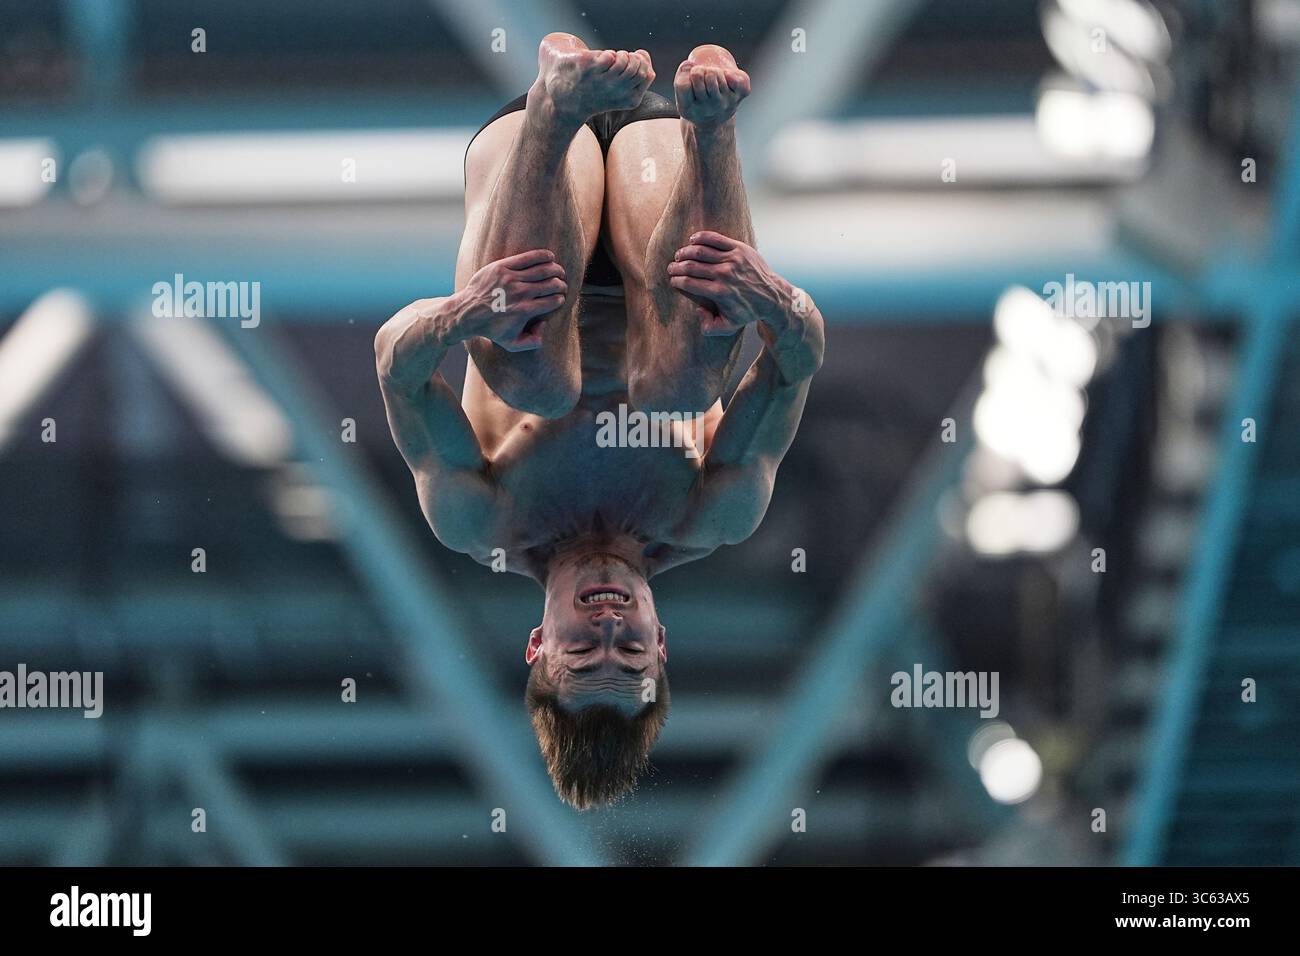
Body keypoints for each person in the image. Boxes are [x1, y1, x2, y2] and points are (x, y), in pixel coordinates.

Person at [375, 34, 824, 809]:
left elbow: (394, 361)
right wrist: (776, 299)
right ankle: (713, 123)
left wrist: (460, 315)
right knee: (679, 389)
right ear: (663, 642)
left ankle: (556, 102)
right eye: (632, 647)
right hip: (668, 218)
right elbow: (799, 357)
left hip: (537, 192)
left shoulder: (481, 513)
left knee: (537, 383)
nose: (608, 625)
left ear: (537, 647)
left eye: (585, 651)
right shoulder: (712, 510)